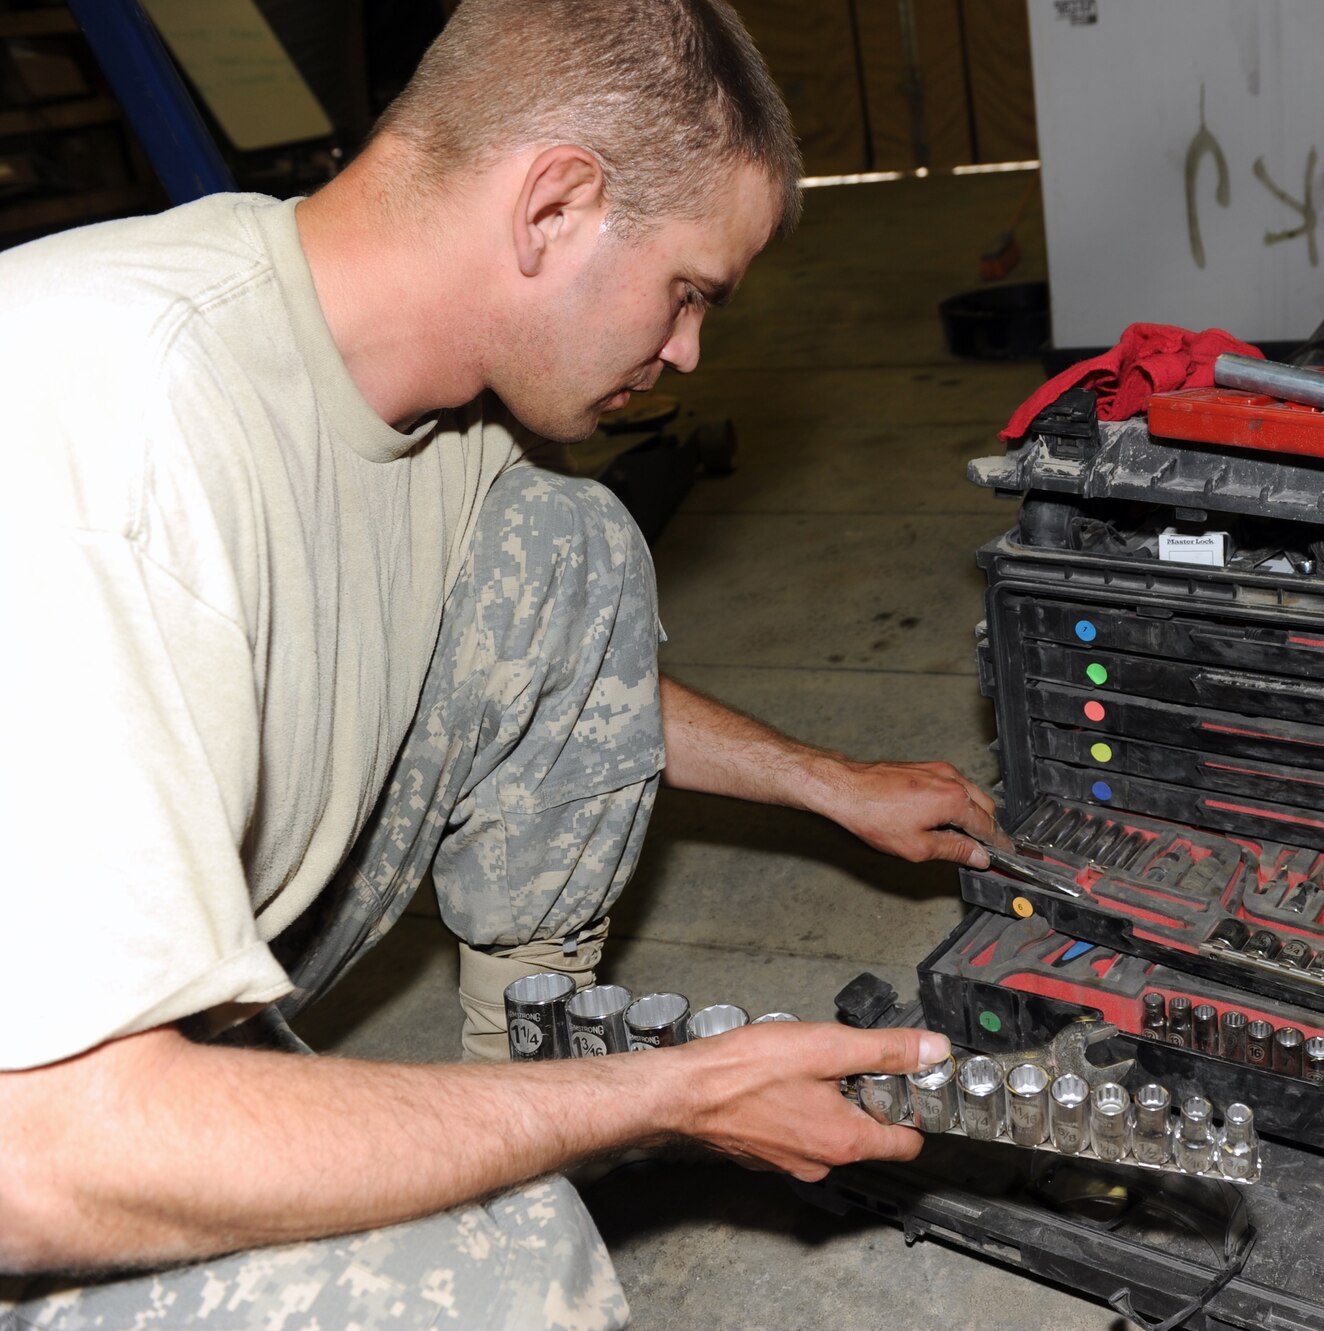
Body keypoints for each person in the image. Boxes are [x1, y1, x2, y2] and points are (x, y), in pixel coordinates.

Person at [0, 1, 1003, 1324]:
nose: (691, 348)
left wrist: (828, 782)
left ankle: (505, 1086)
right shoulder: (109, 431)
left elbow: (542, 671)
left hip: (114, 1015)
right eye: (688, 292)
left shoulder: (418, 384)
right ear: (554, 210)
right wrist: (664, 1094)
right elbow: (43, 1161)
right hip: (46, 1128)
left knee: (565, 545)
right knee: (514, 1272)